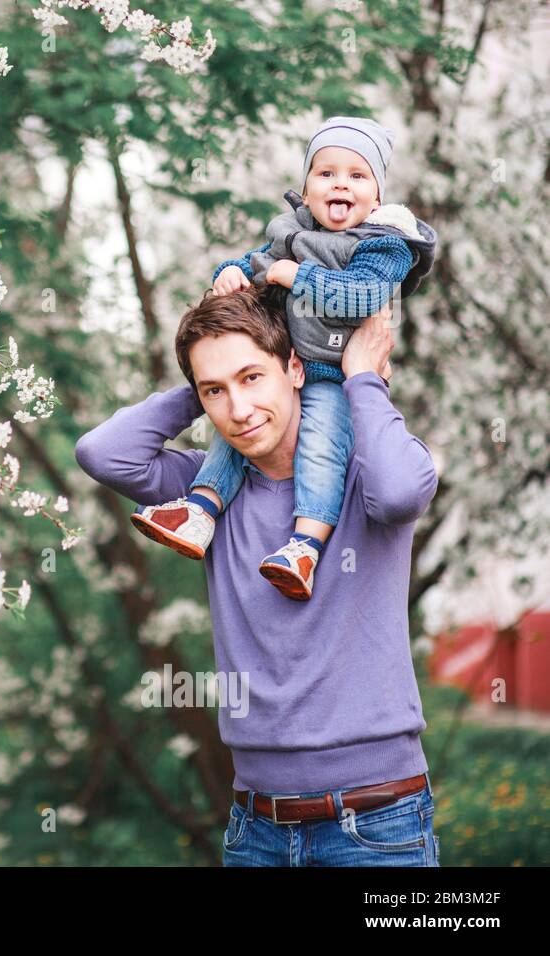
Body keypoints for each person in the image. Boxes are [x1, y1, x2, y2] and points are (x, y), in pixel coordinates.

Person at [74, 285, 441, 866]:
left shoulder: (365, 478)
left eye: (252, 378)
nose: (238, 411)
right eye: (215, 391)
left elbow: (401, 493)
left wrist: (359, 377)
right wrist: (206, 378)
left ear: (295, 367)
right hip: (257, 829)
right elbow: (103, 452)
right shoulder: (207, 495)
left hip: (378, 824)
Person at [129, 116, 437, 601]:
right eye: (326, 173)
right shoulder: (291, 232)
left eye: (357, 176)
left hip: (334, 377)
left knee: (319, 449)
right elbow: (253, 262)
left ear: (377, 196)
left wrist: (294, 276)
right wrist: (229, 274)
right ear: (307, 189)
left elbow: (360, 297)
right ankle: (199, 511)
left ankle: (305, 546)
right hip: (284, 368)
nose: (340, 183)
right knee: (235, 432)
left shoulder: (384, 244)